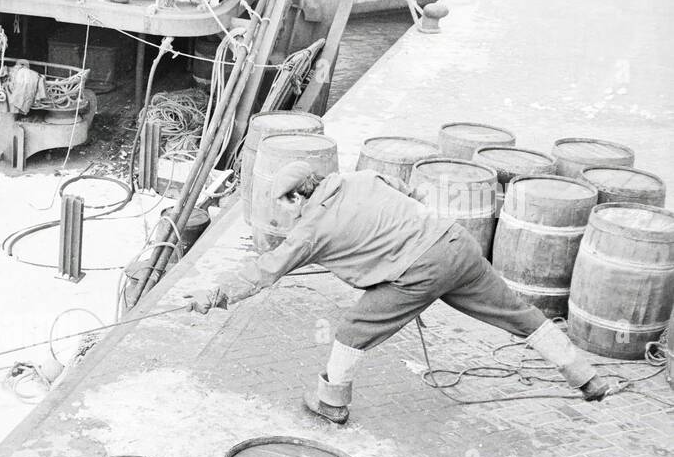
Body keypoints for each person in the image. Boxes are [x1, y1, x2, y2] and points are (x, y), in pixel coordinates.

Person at [188, 160, 614, 425]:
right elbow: (409, 192)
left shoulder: (310, 230)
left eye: (284, 204)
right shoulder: (360, 178)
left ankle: (331, 404)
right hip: (455, 242)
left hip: (419, 272)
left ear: (299, 195)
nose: (285, 213)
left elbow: (265, 270)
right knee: (518, 313)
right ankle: (587, 378)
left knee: (353, 331)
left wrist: (214, 295)